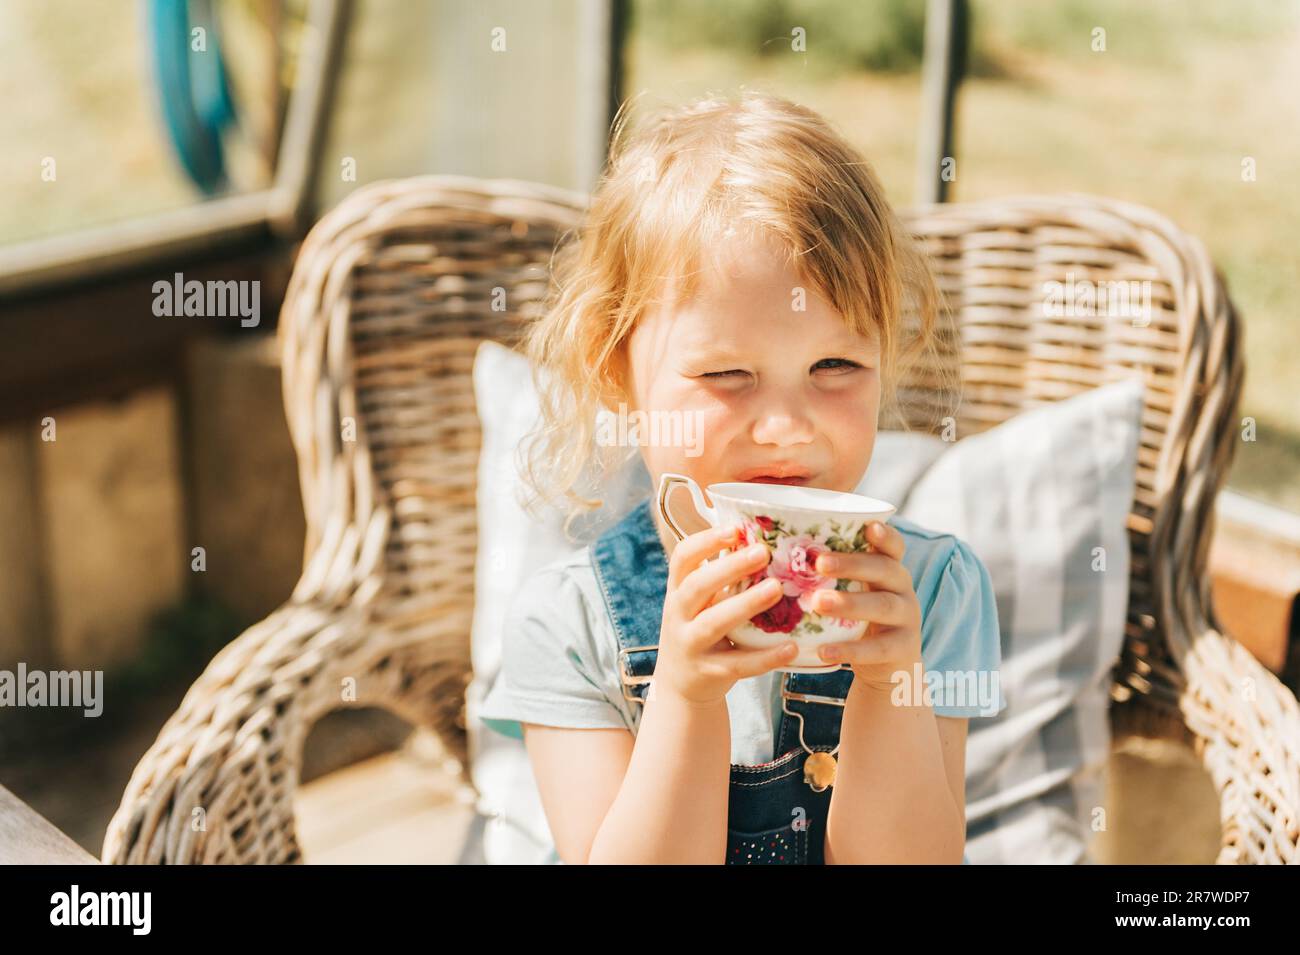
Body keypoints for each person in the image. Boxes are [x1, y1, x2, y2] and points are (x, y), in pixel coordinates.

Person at [478, 89, 1005, 864]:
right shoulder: (568, 625)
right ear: (615, 371)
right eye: (728, 373)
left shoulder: (933, 592)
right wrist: (685, 696)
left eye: (836, 365)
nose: (788, 426)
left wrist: (893, 684)